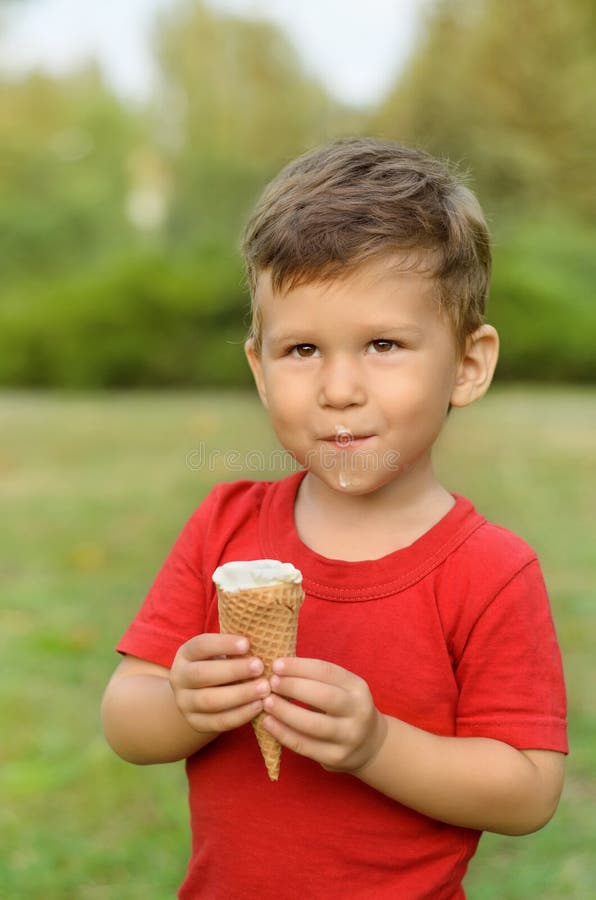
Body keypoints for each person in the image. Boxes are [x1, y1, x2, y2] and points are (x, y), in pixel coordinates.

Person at [101, 138, 567, 899]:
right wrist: (185, 704)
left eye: (384, 344)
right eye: (303, 349)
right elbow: (126, 717)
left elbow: (528, 789)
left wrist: (376, 744)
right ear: (259, 367)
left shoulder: (490, 570)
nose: (339, 388)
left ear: (469, 364)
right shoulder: (226, 526)